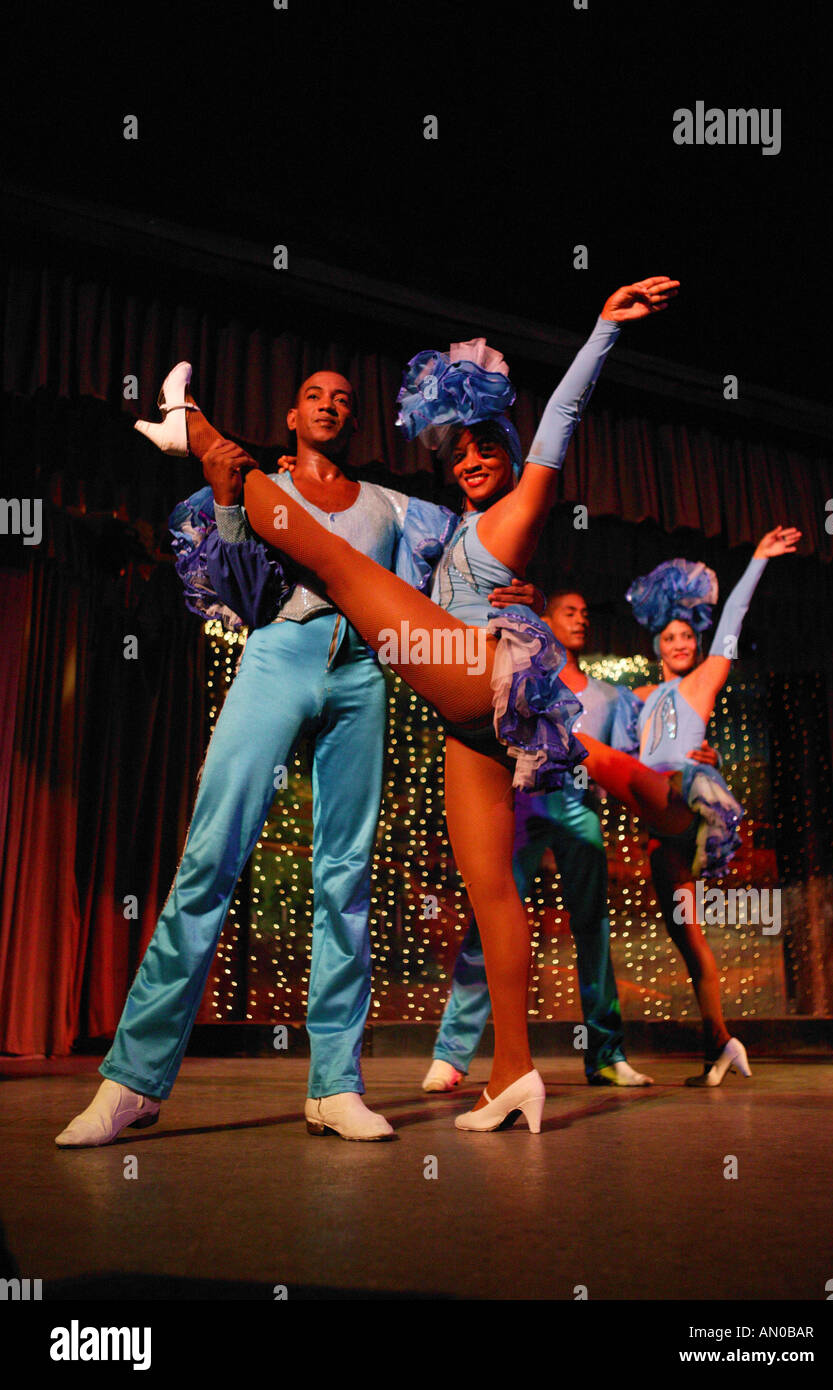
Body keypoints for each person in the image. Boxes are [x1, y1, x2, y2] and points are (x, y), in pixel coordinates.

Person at [239, 279, 707, 1133]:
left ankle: (217, 456)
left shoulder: (520, 506)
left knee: (348, 575)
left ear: (507, 446)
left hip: (472, 671)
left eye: (486, 447)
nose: (471, 461)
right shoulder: (456, 525)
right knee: (489, 890)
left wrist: (602, 329)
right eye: (459, 454)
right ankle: (515, 1072)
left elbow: (561, 422)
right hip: (471, 715)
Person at [56, 366, 529, 1146]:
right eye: (316, 394)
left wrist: (526, 595)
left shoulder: (393, 507)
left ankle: (335, 1084)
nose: (332, 405)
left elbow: (480, 549)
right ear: (291, 413)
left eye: (345, 399)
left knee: (345, 874)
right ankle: (132, 1081)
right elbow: (240, 588)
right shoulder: (263, 484)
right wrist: (225, 502)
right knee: (210, 857)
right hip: (280, 652)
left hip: (363, 674)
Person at [424, 587, 722, 1093]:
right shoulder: (527, 674)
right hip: (523, 806)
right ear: (547, 618)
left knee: (594, 931)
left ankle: (605, 1055)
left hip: (578, 810)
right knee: (487, 924)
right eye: (570, 611)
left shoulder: (610, 697)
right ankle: (452, 1054)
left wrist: (695, 756)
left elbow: (654, 741)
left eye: (586, 612)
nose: (581, 619)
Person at [613, 531, 800, 1085]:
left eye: (686, 636)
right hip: (659, 827)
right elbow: (631, 751)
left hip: (683, 806)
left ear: (696, 642)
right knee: (687, 939)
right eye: (669, 637)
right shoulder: (640, 700)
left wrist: (758, 561)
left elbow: (733, 620)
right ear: (656, 646)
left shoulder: (705, 679)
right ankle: (720, 1040)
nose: (679, 643)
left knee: (605, 760)